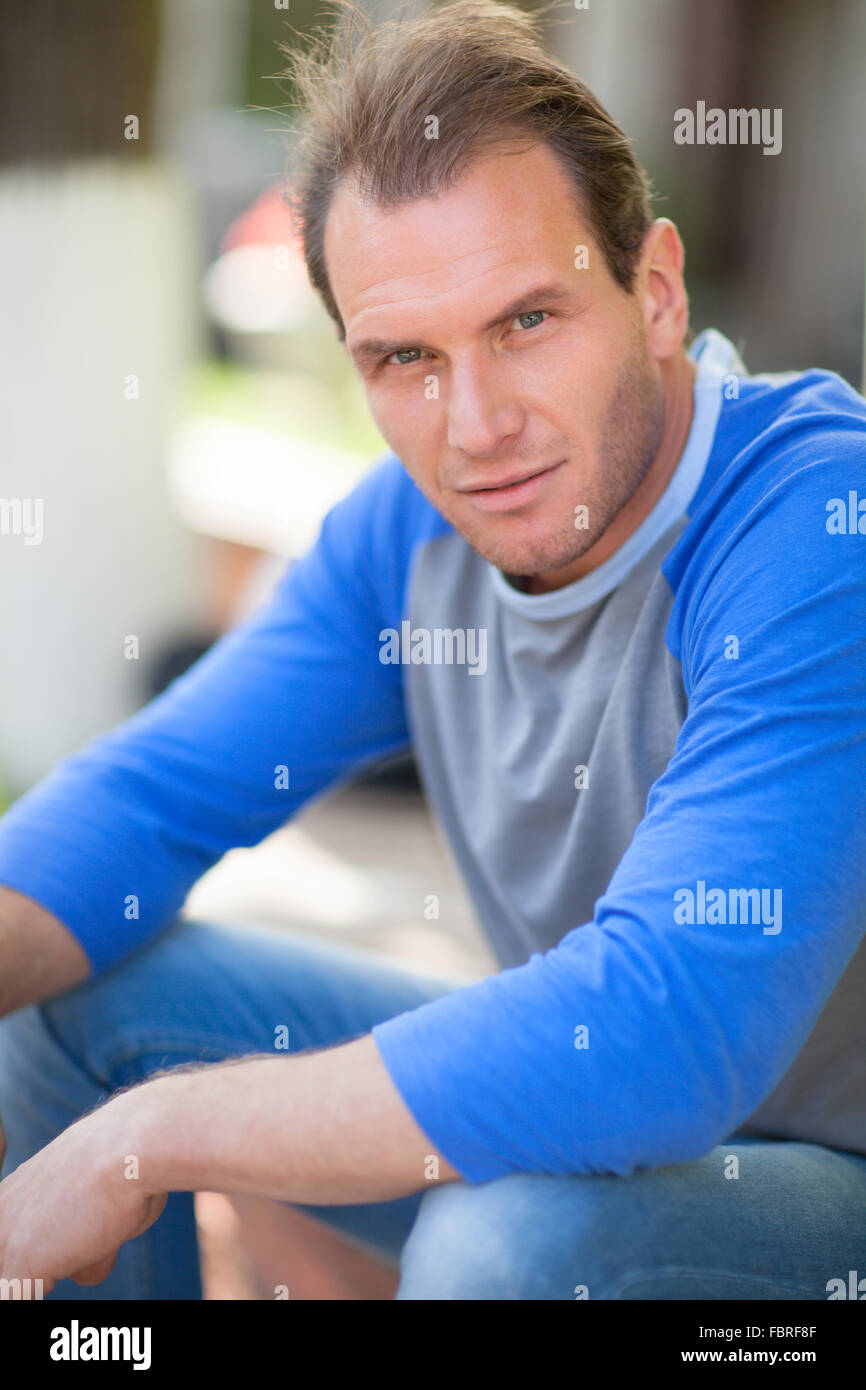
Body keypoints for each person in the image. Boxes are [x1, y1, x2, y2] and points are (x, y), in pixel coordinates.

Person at [1, 0, 865, 1301]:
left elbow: (658, 1033)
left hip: (818, 1197)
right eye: (405, 356)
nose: (475, 426)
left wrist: (148, 1142)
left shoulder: (815, 524)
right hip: (618, 1141)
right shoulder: (408, 540)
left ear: (653, 292)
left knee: (507, 1240)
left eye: (526, 322)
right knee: (80, 1013)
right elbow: (139, 805)